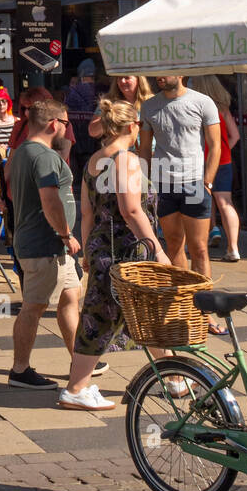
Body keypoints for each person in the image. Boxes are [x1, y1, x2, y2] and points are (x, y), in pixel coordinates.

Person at [61, 99, 171, 410]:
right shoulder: (127, 160)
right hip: (127, 250)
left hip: (102, 247)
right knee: (103, 319)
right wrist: (157, 249)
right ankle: (76, 388)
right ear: (131, 127)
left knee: (142, 313)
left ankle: (175, 379)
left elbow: (86, 212)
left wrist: (87, 250)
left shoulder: (94, 159)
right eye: (138, 126)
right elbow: (131, 209)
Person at [5, 98, 81, 390]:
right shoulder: (45, 157)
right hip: (45, 246)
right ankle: (20, 370)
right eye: (65, 123)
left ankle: (80, 359)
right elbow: (50, 201)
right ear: (54, 124)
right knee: (33, 308)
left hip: (50, 246)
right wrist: (65, 234)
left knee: (71, 297)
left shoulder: (23, 151)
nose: (66, 128)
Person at [140, 75, 221, 284]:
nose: (160, 76)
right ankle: (181, 301)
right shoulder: (149, 106)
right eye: (157, 72)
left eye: (166, 71)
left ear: (181, 73)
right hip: (163, 183)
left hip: (194, 182)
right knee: (173, 244)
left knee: (199, 248)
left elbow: (215, 146)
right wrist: (145, 182)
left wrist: (208, 183)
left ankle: (202, 304)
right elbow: (145, 149)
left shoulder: (203, 102)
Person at [187, 74, 243, 273]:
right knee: (225, 202)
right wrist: (225, 150)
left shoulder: (198, 108)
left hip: (203, 161)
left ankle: (207, 237)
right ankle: (233, 247)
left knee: (205, 200)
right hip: (224, 161)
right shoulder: (223, 108)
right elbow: (235, 136)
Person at [87, 75, 155, 139]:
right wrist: (109, 116)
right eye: (119, 78)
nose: (122, 81)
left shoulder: (152, 102)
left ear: (139, 79)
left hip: (149, 150)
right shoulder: (108, 102)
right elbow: (92, 132)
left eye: (127, 77)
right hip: (119, 150)